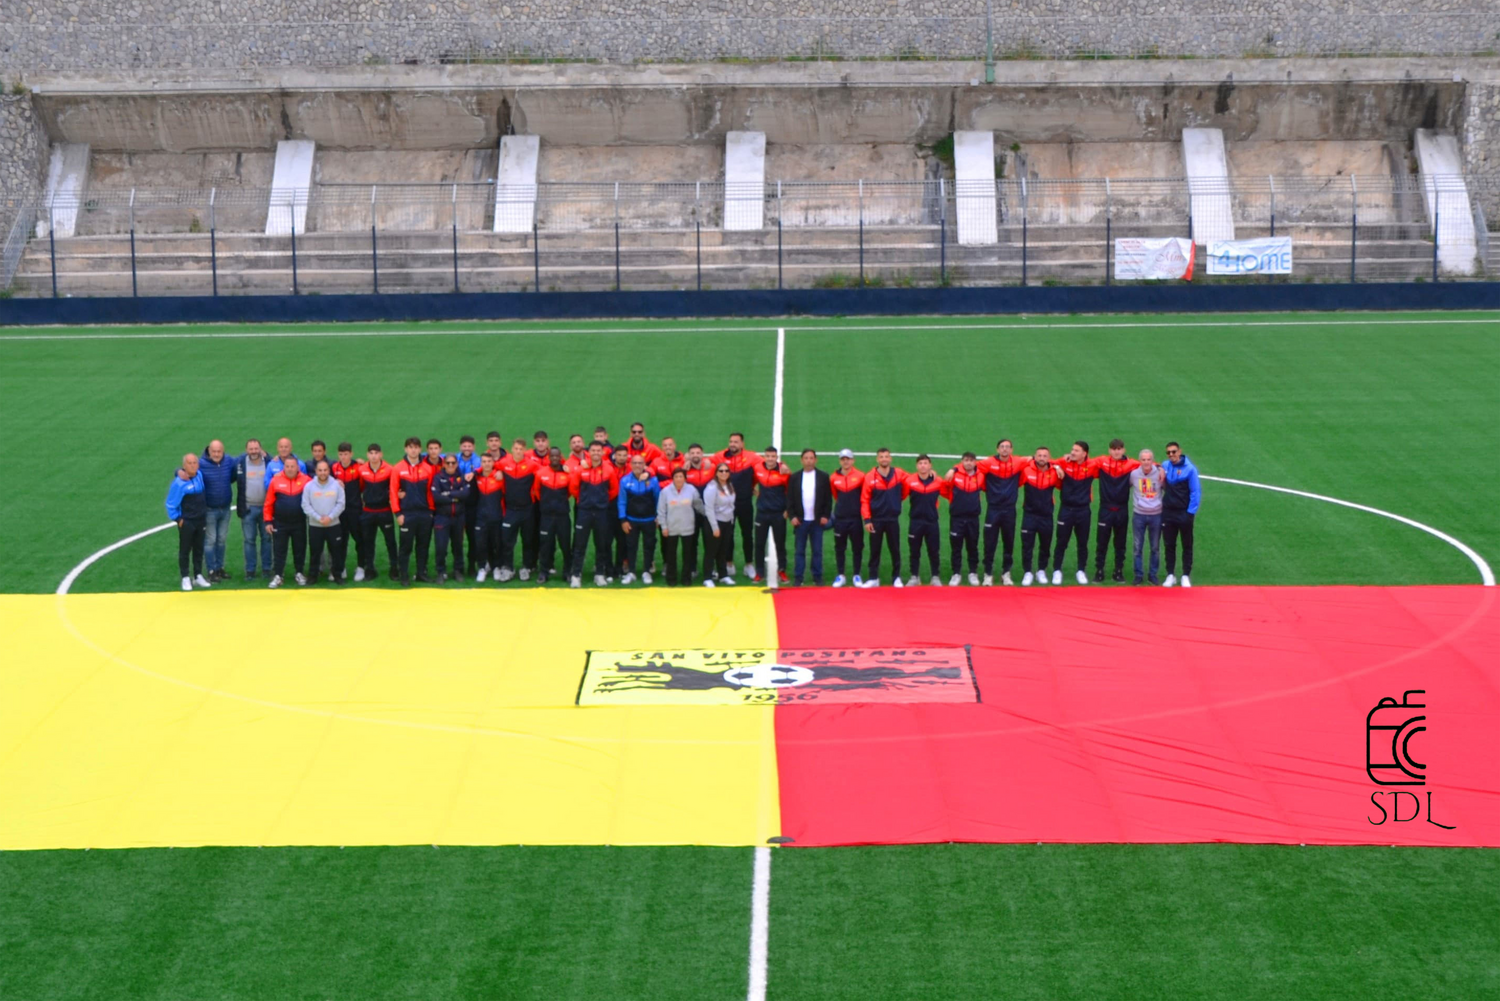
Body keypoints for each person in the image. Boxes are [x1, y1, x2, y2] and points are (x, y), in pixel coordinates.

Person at [977, 439, 1031, 586]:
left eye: (1008, 447)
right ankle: (988, 574)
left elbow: (1038, 460)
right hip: (993, 509)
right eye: (1002, 447)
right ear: (997, 449)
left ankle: (1006, 573)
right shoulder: (988, 463)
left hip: (1009, 510)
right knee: (989, 543)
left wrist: (1056, 465)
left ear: (1012, 450)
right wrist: (954, 470)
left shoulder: (1019, 462)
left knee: (1009, 542)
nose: (1005, 449)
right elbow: (968, 465)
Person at [570, 441, 620, 588]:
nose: (596, 453)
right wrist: (584, 501)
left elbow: (613, 490)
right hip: (584, 512)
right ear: (589, 452)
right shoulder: (581, 469)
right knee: (579, 545)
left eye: (599, 451)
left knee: (602, 545)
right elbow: (573, 488)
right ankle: (576, 575)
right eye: (593, 451)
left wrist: (602, 501)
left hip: (601, 512)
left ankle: (599, 574)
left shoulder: (609, 470)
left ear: (602, 452)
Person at [1052, 441, 1101, 585]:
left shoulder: (1093, 465)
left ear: (1084, 454)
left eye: (1076, 450)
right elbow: (1044, 461)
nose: (1072, 452)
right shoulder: (1064, 462)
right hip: (1066, 509)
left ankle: (1081, 570)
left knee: (1082, 542)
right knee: (1061, 541)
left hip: (1083, 510)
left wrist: (1159, 468)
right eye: (1072, 449)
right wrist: (1056, 466)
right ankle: (1056, 570)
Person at [1092, 439, 1141, 583]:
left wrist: (1161, 469)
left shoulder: (1131, 464)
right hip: (1105, 509)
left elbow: (1149, 465)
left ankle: (1118, 571)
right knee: (1102, 542)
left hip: (1121, 509)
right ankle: (1099, 570)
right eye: (1113, 449)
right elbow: (1084, 462)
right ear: (1109, 450)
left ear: (1124, 450)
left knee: (1120, 543)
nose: (1116, 451)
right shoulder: (1101, 461)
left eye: (1119, 449)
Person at [713, 433, 759, 579]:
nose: (733, 444)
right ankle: (729, 564)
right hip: (727, 504)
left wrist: (782, 467)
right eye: (731, 441)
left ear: (742, 444)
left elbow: (767, 465)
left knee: (747, 534)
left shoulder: (752, 457)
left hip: (745, 503)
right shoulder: (720, 456)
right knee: (728, 535)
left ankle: (749, 564)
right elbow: (705, 463)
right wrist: (688, 460)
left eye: (736, 442)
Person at [392, 437, 436, 586]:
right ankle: (404, 575)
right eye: (410, 447)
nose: (413, 450)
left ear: (420, 449)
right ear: (406, 449)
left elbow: (430, 492)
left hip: (424, 514)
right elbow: (393, 492)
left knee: (423, 545)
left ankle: (421, 573)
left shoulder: (428, 468)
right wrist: (398, 513)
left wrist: (431, 511)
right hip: (407, 514)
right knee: (405, 546)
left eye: (416, 447)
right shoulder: (398, 468)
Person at [860, 448, 907, 587]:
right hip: (876, 520)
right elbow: (864, 500)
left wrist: (932, 473)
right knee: (875, 550)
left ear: (890, 459)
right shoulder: (869, 477)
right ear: (877, 459)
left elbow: (910, 484)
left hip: (892, 519)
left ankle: (896, 577)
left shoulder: (899, 473)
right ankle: (873, 578)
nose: (884, 459)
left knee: (895, 549)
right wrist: (867, 519)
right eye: (881, 457)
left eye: (886, 456)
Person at [497, 439, 543, 581]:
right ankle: (508, 568)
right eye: (516, 448)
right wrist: (498, 471)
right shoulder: (504, 463)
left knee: (528, 540)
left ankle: (526, 567)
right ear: (512, 449)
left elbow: (544, 474)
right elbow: (490, 466)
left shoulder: (532, 465)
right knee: (507, 541)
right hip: (510, 510)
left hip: (527, 509)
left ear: (525, 450)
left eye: (521, 449)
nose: (518, 451)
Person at [264, 456, 312, 588]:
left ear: (298, 467)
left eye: (292, 466)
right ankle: (278, 575)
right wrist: (268, 521)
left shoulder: (307, 481)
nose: (290, 469)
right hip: (280, 523)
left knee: (300, 549)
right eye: (287, 466)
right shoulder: (275, 481)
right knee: (279, 549)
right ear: (283, 467)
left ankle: (299, 573)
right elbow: (269, 503)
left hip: (299, 523)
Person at [166, 452, 211, 591]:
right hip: (187, 522)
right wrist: (179, 520)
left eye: (194, 463)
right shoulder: (179, 483)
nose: (192, 466)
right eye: (189, 463)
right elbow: (171, 504)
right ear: (184, 466)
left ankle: (198, 575)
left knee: (199, 548)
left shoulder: (200, 476)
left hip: (200, 520)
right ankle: (185, 577)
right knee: (185, 550)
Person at [786, 448, 831, 586]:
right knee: (800, 551)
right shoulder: (794, 478)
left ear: (815, 460)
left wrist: (825, 516)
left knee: (817, 551)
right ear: (802, 460)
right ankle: (798, 577)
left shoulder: (823, 477)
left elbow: (828, 499)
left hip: (817, 521)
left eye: (811, 458)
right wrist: (792, 516)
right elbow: (790, 499)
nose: (809, 461)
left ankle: (817, 576)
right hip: (800, 521)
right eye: (806, 458)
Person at [1018, 447, 1062, 586]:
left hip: (1046, 516)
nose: (1042, 458)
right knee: (1027, 545)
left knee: (1045, 545)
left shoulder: (1055, 472)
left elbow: (1062, 484)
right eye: (1039, 455)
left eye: (1045, 456)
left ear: (1049, 458)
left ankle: (1041, 570)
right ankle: (1028, 572)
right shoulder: (1026, 470)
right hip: (1029, 515)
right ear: (1035, 457)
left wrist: (1057, 466)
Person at [1162, 441, 1201, 588]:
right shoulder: (1165, 466)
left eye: (1173, 452)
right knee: (1169, 544)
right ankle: (1170, 574)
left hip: (1183, 513)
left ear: (1179, 451)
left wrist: (1190, 513)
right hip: (1168, 513)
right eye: (1169, 452)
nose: (1171, 455)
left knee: (1187, 544)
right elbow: (1155, 466)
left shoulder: (1190, 469)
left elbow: (1195, 492)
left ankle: (1185, 575)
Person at [301, 459, 347, 584]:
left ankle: (337, 575)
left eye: (325, 470)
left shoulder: (337, 486)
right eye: (320, 470)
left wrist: (330, 517)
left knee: (336, 551)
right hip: (315, 525)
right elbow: (305, 505)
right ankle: (313, 576)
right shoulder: (309, 486)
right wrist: (318, 518)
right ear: (316, 471)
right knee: (315, 552)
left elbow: (341, 504)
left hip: (333, 524)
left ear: (329, 471)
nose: (322, 473)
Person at [617, 454, 662, 584]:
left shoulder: (652, 481)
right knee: (631, 546)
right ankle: (631, 572)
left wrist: (658, 517)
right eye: (635, 463)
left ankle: (646, 571)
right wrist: (623, 520)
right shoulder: (625, 481)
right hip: (631, 520)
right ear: (631, 465)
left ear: (644, 465)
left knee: (649, 545)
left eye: (640, 463)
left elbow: (658, 499)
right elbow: (622, 501)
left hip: (649, 520)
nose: (637, 465)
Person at [358, 444, 399, 581]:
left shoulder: (389, 469)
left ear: (381, 454)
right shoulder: (362, 470)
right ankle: (370, 569)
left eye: (376, 453)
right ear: (367, 455)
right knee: (368, 542)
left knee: (390, 542)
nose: (374, 456)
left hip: (384, 511)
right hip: (368, 512)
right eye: (371, 453)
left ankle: (394, 568)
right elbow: (360, 488)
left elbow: (393, 489)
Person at [658, 468, 704, 586]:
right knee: (670, 554)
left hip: (687, 527)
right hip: (671, 527)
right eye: (676, 476)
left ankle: (686, 578)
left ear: (685, 478)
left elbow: (698, 505)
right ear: (672, 478)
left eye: (681, 476)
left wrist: (709, 514)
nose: (679, 479)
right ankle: (671, 578)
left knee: (688, 554)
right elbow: (661, 511)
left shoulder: (692, 490)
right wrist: (664, 527)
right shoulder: (665, 492)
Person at [904, 455, 946, 586]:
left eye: (925, 463)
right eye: (920, 463)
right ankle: (914, 576)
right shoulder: (909, 481)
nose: (923, 466)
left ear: (930, 465)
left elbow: (949, 492)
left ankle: (935, 576)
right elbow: (901, 494)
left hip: (932, 522)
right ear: (917, 466)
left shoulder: (938, 481)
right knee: (914, 551)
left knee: (934, 550)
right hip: (915, 522)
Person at [235, 438, 273, 580]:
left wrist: (268, 455)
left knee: (267, 539)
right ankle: (250, 570)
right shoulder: (240, 463)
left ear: (261, 449)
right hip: (248, 509)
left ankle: (266, 569)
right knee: (249, 540)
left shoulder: (268, 462)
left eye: (256, 448)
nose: (254, 451)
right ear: (246, 450)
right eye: (251, 449)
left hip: (266, 509)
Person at [678, 443, 717, 581]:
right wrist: (683, 466)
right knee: (691, 542)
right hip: (690, 512)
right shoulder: (684, 470)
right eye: (692, 453)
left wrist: (710, 461)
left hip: (707, 512)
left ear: (702, 454)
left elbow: (723, 467)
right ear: (689, 455)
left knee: (709, 542)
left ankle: (710, 569)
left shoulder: (710, 468)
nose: (695, 455)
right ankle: (692, 568)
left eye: (698, 453)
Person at [945, 452, 985, 586]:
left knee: (972, 546)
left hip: (973, 518)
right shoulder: (954, 475)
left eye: (971, 460)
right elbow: (945, 489)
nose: (968, 463)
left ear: (975, 462)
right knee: (956, 547)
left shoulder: (981, 475)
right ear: (962, 461)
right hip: (957, 518)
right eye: (966, 460)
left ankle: (972, 573)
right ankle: (956, 573)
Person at [430, 453, 470, 584]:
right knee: (441, 547)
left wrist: (448, 494)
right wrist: (455, 497)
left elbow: (465, 494)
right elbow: (437, 497)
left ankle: (458, 571)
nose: (451, 465)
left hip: (459, 517)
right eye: (448, 463)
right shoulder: (438, 478)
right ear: (444, 464)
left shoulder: (462, 478)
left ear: (457, 464)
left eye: (453, 463)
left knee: (458, 546)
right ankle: (441, 572)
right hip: (442, 517)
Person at [536, 447, 574, 584]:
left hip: (562, 516)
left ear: (560, 457)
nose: (554, 458)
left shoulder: (567, 474)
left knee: (565, 545)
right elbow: (536, 491)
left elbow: (570, 492)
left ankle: (567, 572)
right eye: (552, 456)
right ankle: (543, 572)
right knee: (545, 545)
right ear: (548, 458)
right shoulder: (541, 473)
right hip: (546, 516)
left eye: (557, 456)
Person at [199, 440, 235, 581]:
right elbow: (184, 469)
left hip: (225, 508)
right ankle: (211, 570)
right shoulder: (201, 464)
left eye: (219, 451)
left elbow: (242, 462)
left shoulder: (228, 461)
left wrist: (266, 455)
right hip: (209, 510)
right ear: (209, 451)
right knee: (210, 540)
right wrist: (178, 472)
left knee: (221, 540)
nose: (216, 454)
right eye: (214, 451)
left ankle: (219, 567)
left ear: (223, 451)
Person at [753, 446, 790, 582]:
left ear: (777, 457)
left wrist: (787, 510)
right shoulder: (758, 468)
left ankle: (782, 571)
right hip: (762, 513)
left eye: (773, 456)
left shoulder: (784, 471)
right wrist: (754, 490)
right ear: (764, 456)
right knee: (759, 544)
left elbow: (790, 492)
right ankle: (759, 572)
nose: (770, 459)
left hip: (778, 514)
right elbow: (750, 480)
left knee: (780, 544)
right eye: (767, 456)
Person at [829, 449, 865, 588]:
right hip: (840, 519)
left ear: (853, 460)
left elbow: (864, 495)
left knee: (857, 547)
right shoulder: (833, 478)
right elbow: (835, 495)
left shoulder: (861, 476)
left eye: (848, 459)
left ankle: (857, 575)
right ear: (840, 461)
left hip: (855, 519)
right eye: (843, 459)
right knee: (840, 548)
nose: (846, 461)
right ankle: (841, 575)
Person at [1130, 449, 1166, 585]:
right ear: (1140, 461)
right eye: (1143, 459)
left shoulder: (1160, 475)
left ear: (1153, 460)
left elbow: (1167, 489)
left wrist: (1160, 468)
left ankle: (1153, 574)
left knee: (1155, 547)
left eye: (1149, 459)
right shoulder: (1134, 474)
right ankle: (1138, 575)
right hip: (1139, 514)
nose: (1146, 462)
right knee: (1137, 547)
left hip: (1156, 515)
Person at [333, 443, 366, 580]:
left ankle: (361, 567)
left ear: (351, 454)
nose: (343, 457)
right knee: (341, 540)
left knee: (360, 539)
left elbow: (363, 486)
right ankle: (341, 568)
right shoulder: (334, 468)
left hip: (355, 510)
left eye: (346, 454)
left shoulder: (359, 467)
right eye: (341, 454)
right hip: (340, 511)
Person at [701, 461, 737, 586]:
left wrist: (731, 521)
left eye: (726, 471)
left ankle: (723, 575)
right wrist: (715, 527)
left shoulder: (729, 485)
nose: (724, 473)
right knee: (711, 551)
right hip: (714, 523)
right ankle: (707, 577)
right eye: (721, 471)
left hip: (727, 522)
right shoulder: (711, 487)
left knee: (723, 550)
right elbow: (709, 508)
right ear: (716, 473)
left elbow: (731, 505)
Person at [473, 453, 506, 582]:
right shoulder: (477, 477)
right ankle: (482, 568)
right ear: (481, 463)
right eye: (484, 461)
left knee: (497, 543)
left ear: (493, 463)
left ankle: (496, 567)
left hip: (496, 517)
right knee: (480, 543)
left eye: (489, 461)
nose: (486, 464)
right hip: (480, 517)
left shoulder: (500, 478)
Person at [456, 435, 483, 576]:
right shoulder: (453, 459)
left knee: (473, 538)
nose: (467, 448)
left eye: (469, 446)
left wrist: (474, 472)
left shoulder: (478, 461)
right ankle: (458, 567)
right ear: (460, 447)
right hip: (457, 505)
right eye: (464, 446)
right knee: (457, 538)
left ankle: (472, 565)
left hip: (473, 505)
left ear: (474, 447)